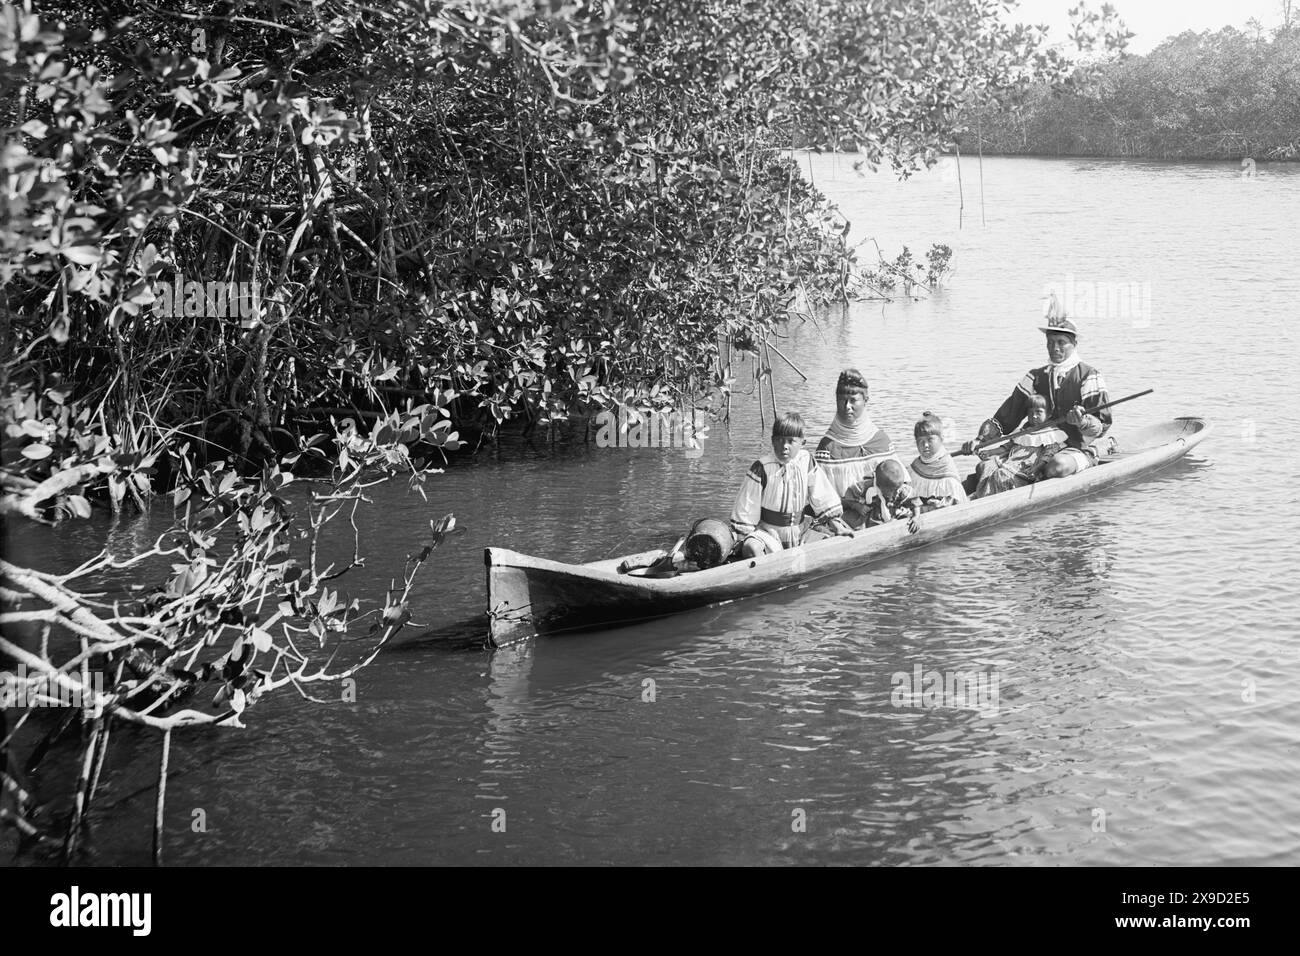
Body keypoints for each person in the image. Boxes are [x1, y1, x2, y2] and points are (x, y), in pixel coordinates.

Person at [961, 315, 1111, 479]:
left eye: (1061, 342)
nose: (1055, 348)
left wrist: (1082, 421)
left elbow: (1101, 425)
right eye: (1050, 342)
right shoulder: (1035, 377)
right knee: (983, 467)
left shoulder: (1089, 376)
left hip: (1075, 446)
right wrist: (980, 440)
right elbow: (1008, 415)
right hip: (1034, 446)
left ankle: (1092, 456)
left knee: (1056, 468)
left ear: (1074, 344)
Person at [731, 412, 851, 558]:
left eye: (790, 441)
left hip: (800, 530)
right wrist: (742, 537)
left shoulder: (806, 461)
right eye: (779, 440)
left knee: (828, 544)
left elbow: (823, 495)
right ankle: (766, 576)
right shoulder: (762, 468)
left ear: (802, 443)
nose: (784, 446)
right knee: (752, 547)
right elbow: (747, 506)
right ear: (772, 441)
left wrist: (837, 526)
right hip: (769, 532)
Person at [815, 368, 900, 524]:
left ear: (865, 400)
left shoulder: (881, 440)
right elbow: (821, 498)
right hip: (845, 520)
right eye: (842, 400)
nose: (847, 406)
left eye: (853, 400)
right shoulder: (827, 448)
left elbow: (899, 484)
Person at [970, 394, 1069, 498]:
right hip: (1010, 460)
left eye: (1038, 412)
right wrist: (990, 452)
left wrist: (1037, 468)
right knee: (984, 466)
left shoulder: (1050, 434)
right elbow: (1007, 447)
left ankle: (990, 496)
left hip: (1027, 467)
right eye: (1030, 413)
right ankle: (983, 493)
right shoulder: (1023, 431)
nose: (1034, 416)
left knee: (1001, 474)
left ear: (1049, 414)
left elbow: (1048, 455)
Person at [908, 413, 968, 507]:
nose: (925, 445)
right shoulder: (914, 468)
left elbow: (956, 504)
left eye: (930, 440)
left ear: (941, 439)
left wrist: (941, 504)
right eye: (920, 441)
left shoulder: (947, 469)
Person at [861, 459, 923, 530]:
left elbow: (915, 502)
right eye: (891, 490)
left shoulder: (902, 489)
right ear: (879, 486)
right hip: (875, 513)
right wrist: (857, 506)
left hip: (896, 511)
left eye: (897, 489)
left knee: (906, 516)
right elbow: (850, 494)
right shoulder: (868, 487)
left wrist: (916, 517)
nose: (896, 492)